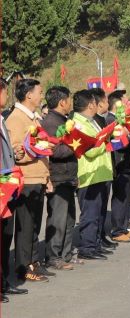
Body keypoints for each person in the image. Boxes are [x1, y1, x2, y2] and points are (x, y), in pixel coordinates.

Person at [6, 78, 52, 281]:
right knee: (25, 226)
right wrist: (36, 150)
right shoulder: (16, 119)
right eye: (39, 92)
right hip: (26, 179)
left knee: (34, 224)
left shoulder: (33, 118)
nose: (41, 96)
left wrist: (47, 176)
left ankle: (33, 261)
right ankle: (23, 266)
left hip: (38, 177)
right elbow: (15, 152)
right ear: (29, 95)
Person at [72, 90, 114, 261]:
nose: (98, 105)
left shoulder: (91, 121)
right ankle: (87, 247)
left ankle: (95, 244)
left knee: (98, 213)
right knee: (89, 214)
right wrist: (105, 141)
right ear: (90, 105)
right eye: (95, 103)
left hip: (100, 173)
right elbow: (89, 150)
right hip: (89, 175)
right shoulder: (78, 124)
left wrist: (105, 139)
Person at [41, 86, 77, 271]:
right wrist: (77, 145)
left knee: (69, 218)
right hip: (58, 176)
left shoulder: (64, 120)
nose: (70, 103)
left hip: (68, 175)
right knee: (58, 219)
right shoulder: (50, 123)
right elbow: (54, 151)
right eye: (69, 99)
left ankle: (66, 254)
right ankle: (53, 257)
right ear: (62, 102)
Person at [0, 78, 28, 300]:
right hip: (2, 185)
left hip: (8, 186)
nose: (7, 95)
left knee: (5, 236)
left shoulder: (2, 118)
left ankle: (4, 282)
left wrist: (15, 153)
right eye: (4, 91)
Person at [107, 90, 130, 242]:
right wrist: (126, 133)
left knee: (125, 196)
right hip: (119, 162)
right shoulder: (110, 120)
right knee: (119, 197)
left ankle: (123, 227)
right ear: (117, 104)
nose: (127, 104)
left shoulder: (122, 120)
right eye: (125, 102)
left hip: (126, 163)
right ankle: (117, 230)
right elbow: (117, 144)